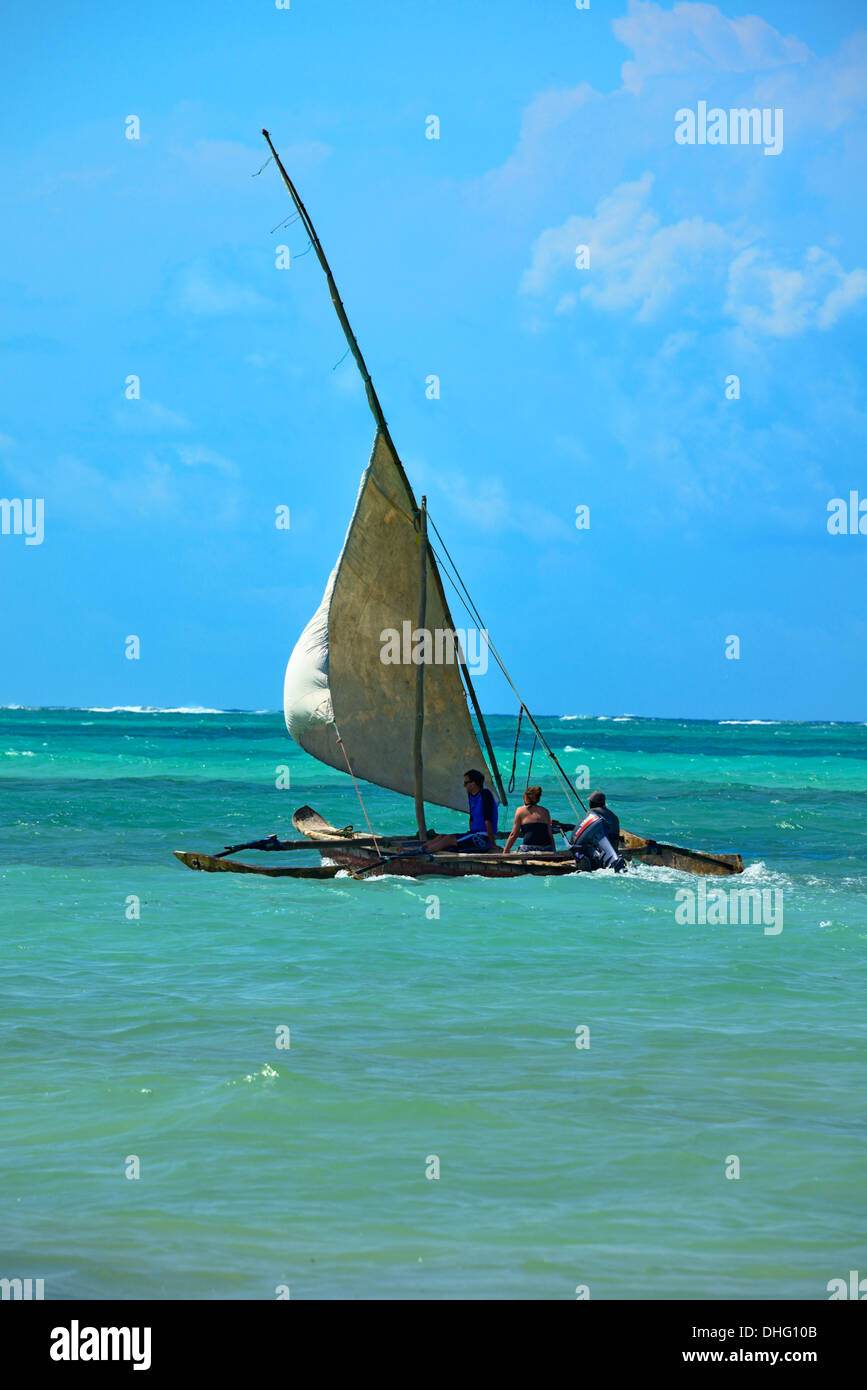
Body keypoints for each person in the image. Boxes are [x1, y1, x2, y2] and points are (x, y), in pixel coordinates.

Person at [426, 769, 499, 854]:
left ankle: (425, 853)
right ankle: (421, 849)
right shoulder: (471, 795)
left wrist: (493, 844)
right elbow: (472, 819)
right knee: (441, 837)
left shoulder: (485, 794)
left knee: (449, 839)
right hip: (474, 834)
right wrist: (469, 834)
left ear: (473, 783)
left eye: (466, 783)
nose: (464, 786)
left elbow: (488, 821)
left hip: (483, 838)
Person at [571, 790, 627, 871]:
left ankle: (582, 858)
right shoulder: (613, 816)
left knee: (575, 850)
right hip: (613, 852)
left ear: (592, 803)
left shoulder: (593, 813)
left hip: (598, 853)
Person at [503, 786, 557, 854]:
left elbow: (514, 834)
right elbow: (550, 834)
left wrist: (505, 850)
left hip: (529, 849)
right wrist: (554, 851)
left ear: (526, 797)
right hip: (547, 848)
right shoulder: (545, 811)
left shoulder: (520, 810)